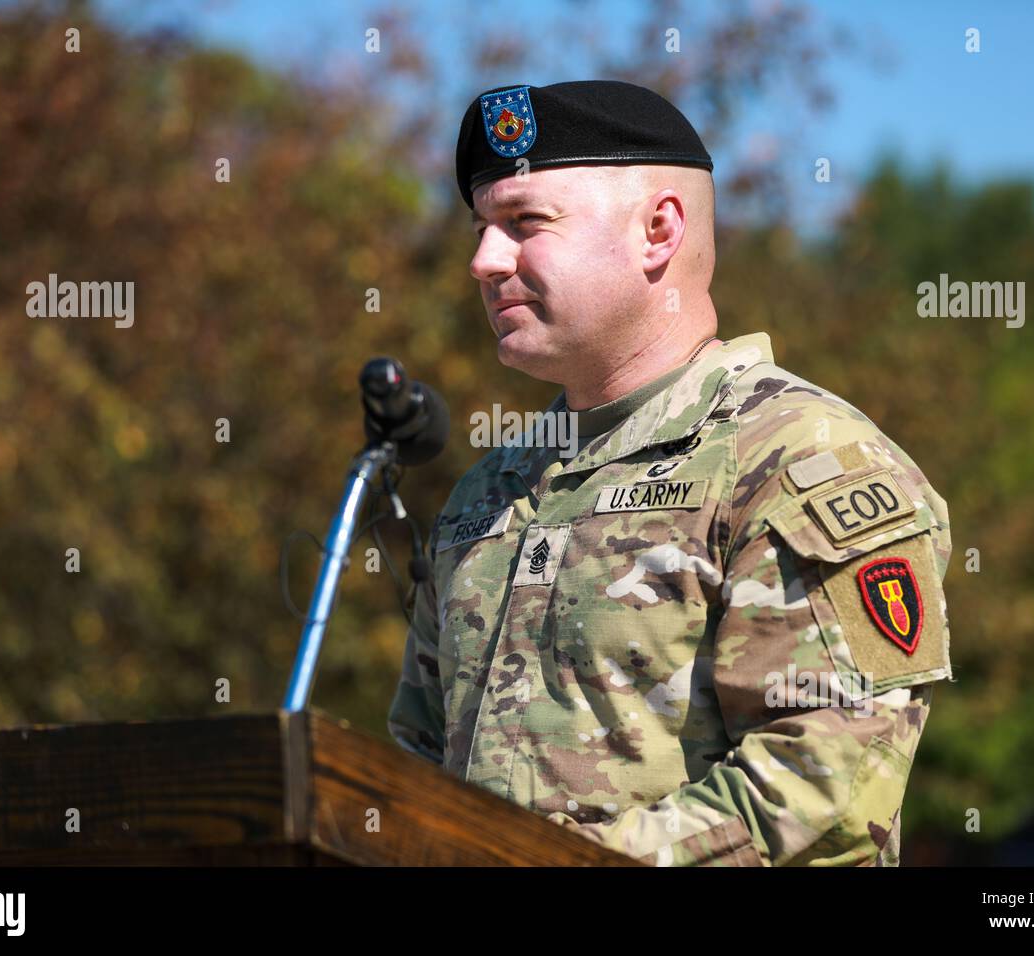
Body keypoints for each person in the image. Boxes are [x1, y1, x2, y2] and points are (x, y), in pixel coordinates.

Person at [387, 80, 954, 866]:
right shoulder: (488, 495)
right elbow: (415, 760)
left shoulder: (799, 461)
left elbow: (824, 787)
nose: (485, 260)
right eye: (483, 227)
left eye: (524, 223)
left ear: (658, 230)